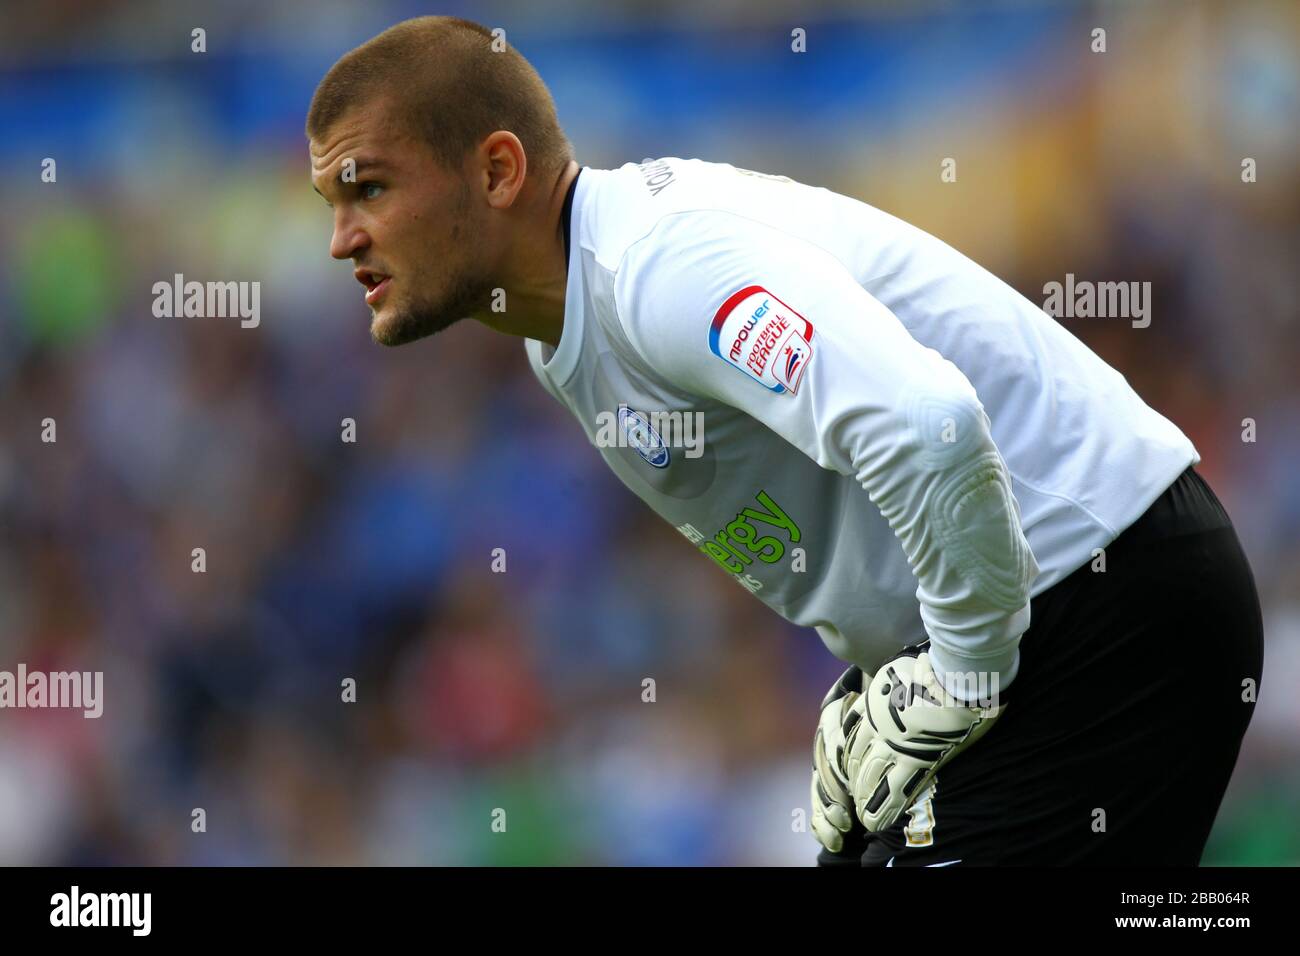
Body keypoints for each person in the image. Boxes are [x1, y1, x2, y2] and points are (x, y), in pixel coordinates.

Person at [306, 15, 1264, 865]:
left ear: (498, 170)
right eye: (333, 205)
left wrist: (963, 672)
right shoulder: (562, 332)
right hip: (1047, 613)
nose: (343, 239)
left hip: (1105, 594)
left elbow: (929, 425)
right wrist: (887, 682)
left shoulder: (656, 270)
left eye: (370, 190)